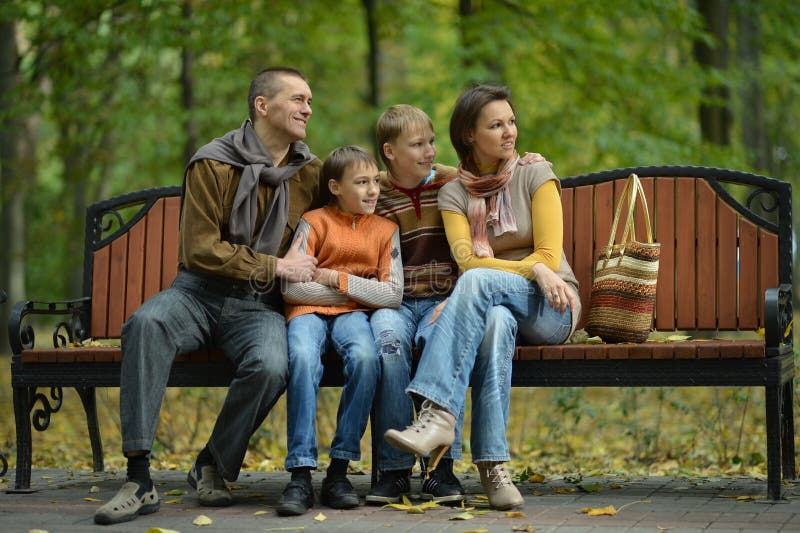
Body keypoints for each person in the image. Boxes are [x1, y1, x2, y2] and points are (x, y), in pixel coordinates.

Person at [94, 67, 325, 526]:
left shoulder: (311, 173)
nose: (307, 109)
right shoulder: (213, 162)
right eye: (297, 99)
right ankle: (139, 477)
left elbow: (369, 181)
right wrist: (276, 265)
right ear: (263, 105)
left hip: (259, 305)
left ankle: (211, 463)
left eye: (310, 102)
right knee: (146, 323)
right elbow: (200, 249)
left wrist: (446, 172)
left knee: (272, 364)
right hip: (196, 295)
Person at [384, 84, 581, 510]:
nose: (509, 131)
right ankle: (494, 469)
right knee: (493, 320)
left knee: (475, 284)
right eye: (496, 124)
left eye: (511, 121)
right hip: (496, 307)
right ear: (470, 134)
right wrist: (534, 265)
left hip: (552, 305)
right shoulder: (455, 192)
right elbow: (466, 261)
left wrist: (544, 268)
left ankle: (437, 416)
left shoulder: (535, 173)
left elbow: (544, 255)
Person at [276, 146, 403, 516]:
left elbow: (392, 295)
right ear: (335, 186)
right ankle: (300, 472)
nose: (372, 191)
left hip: (352, 317)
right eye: (361, 183)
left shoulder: (386, 231)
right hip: (306, 311)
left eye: (375, 181)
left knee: (366, 358)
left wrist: (336, 279)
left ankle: (339, 470)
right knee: (301, 357)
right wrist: (359, 292)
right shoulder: (313, 223)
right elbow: (291, 288)